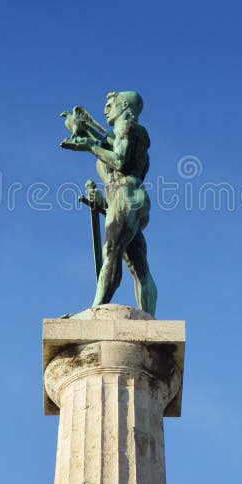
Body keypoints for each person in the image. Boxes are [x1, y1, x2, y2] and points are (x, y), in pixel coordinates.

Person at [61, 91, 157, 316]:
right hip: (129, 199)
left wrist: (91, 146)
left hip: (126, 196)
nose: (105, 110)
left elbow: (119, 161)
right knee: (138, 266)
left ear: (124, 105)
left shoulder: (126, 127)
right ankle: (149, 318)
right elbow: (109, 144)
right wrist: (102, 203)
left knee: (111, 251)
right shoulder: (128, 135)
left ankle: (96, 311)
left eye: (110, 105)